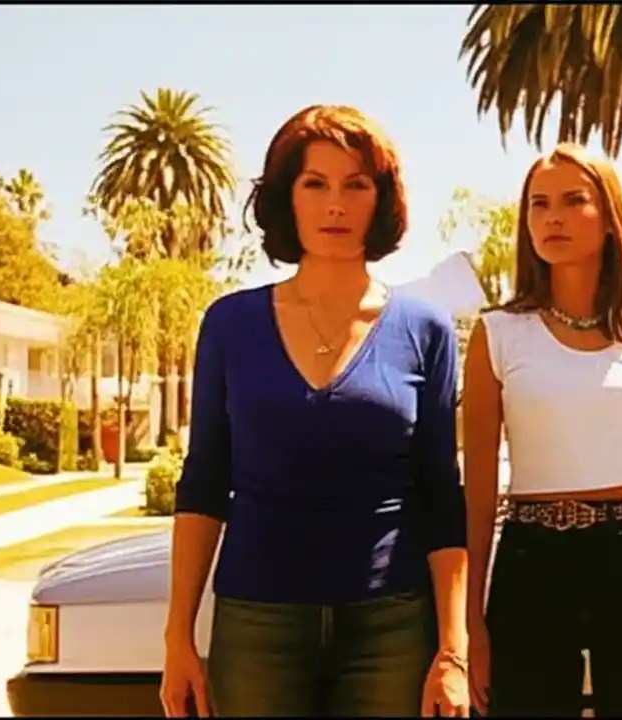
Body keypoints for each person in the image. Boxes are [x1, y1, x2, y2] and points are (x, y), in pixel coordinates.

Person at [159, 104, 469, 718]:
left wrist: (452, 650)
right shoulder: (230, 325)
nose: (336, 204)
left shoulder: (426, 330)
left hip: (392, 629)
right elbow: (203, 484)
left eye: (356, 185)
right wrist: (178, 637)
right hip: (257, 624)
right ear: (287, 198)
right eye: (316, 183)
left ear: (380, 201)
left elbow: (440, 494)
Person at [462, 143, 622, 717]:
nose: (552, 217)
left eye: (573, 200)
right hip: (532, 560)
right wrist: (469, 627)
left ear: (609, 218)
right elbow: (478, 493)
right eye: (539, 204)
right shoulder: (498, 335)